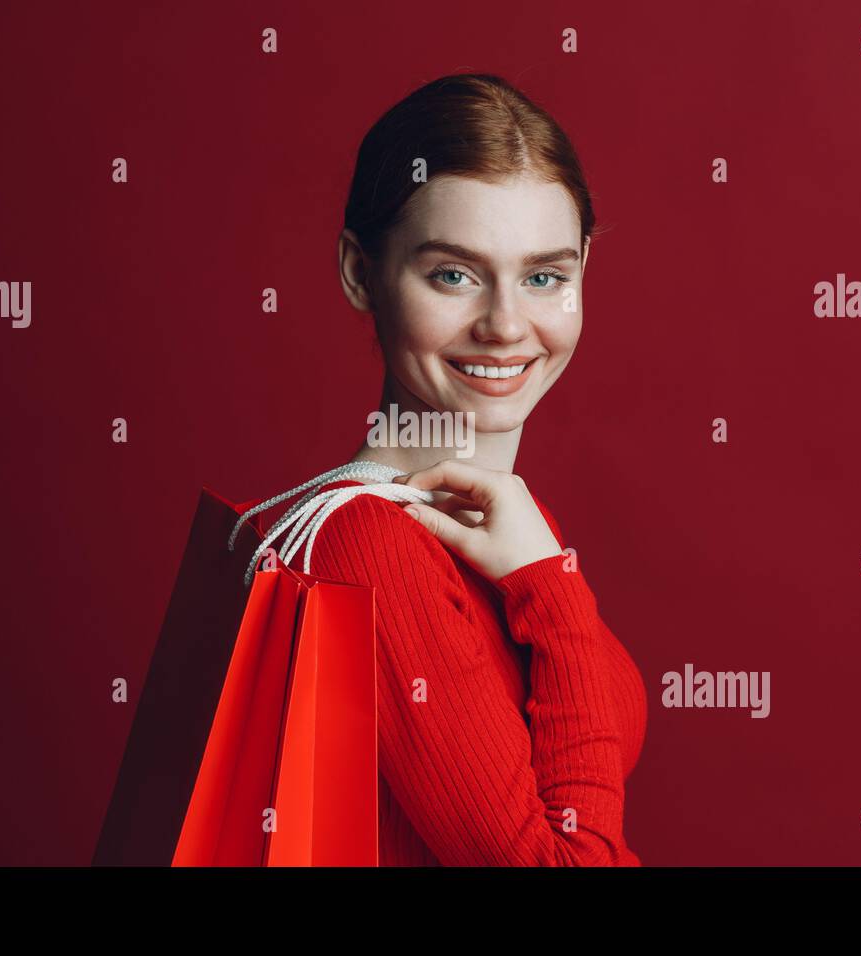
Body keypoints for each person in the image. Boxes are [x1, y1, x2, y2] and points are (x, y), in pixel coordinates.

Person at [254, 73, 647, 865]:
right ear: (361, 274)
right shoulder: (369, 550)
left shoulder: (504, 526)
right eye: (453, 275)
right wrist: (552, 586)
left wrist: (540, 568)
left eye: (544, 276)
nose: (506, 324)